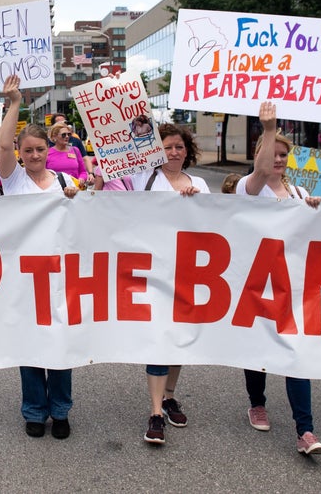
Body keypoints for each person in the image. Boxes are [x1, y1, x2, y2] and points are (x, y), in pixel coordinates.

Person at [235, 101, 321, 456]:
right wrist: (269, 128)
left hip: (293, 286)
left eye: (283, 154)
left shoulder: (300, 193)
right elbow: (258, 173)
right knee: (259, 349)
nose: (277, 158)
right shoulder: (249, 186)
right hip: (257, 282)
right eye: (272, 152)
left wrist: (317, 212)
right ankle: (256, 401)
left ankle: (306, 430)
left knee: (294, 354)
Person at [0, 75, 79, 440]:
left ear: (48, 150)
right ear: (20, 153)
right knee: (29, 344)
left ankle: (60, 410)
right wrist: (14, 103)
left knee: (60, 344)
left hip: (60, 276)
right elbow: (1, 146)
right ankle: (34, 410)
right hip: (24, 276)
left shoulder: (64, 182)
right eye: (26, 151)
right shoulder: (13, 181)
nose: (33, 156)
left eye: (39, 150)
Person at [130, 123, 210, 445]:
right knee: (159, 337)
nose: (174, 152)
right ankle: (154, 412)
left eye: (179, 146)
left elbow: (214, 224)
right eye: (167, 146)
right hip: (155, 270)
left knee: (179, 338)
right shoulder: (144, 179)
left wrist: (196, 203)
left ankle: (169, 396)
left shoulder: (200, 183)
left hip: (190, 272)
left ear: (187, 150)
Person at [46, 123, 88, 188]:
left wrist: (82, 179)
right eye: (63, 135)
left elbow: (83, 172)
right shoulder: (47, 153)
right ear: (54, 136)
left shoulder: (75, 150)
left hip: (75, 190)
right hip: (56, 191)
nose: (67, 137)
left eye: (69, 134)